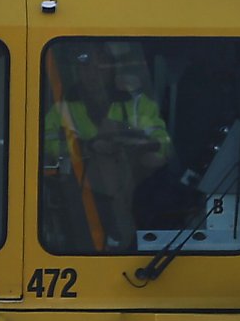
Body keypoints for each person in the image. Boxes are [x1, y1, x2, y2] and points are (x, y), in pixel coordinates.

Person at [41, 45, 171, 251]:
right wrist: (86, 147)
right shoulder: (62, 108)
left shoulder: (139, 105)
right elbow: (43, 143)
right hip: (84, 195)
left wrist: (135, 144)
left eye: (100, 67)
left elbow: (162, 143)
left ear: (112, 69)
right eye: (86, 67)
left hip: (133, 192)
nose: (92, 73)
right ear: (77, 71)